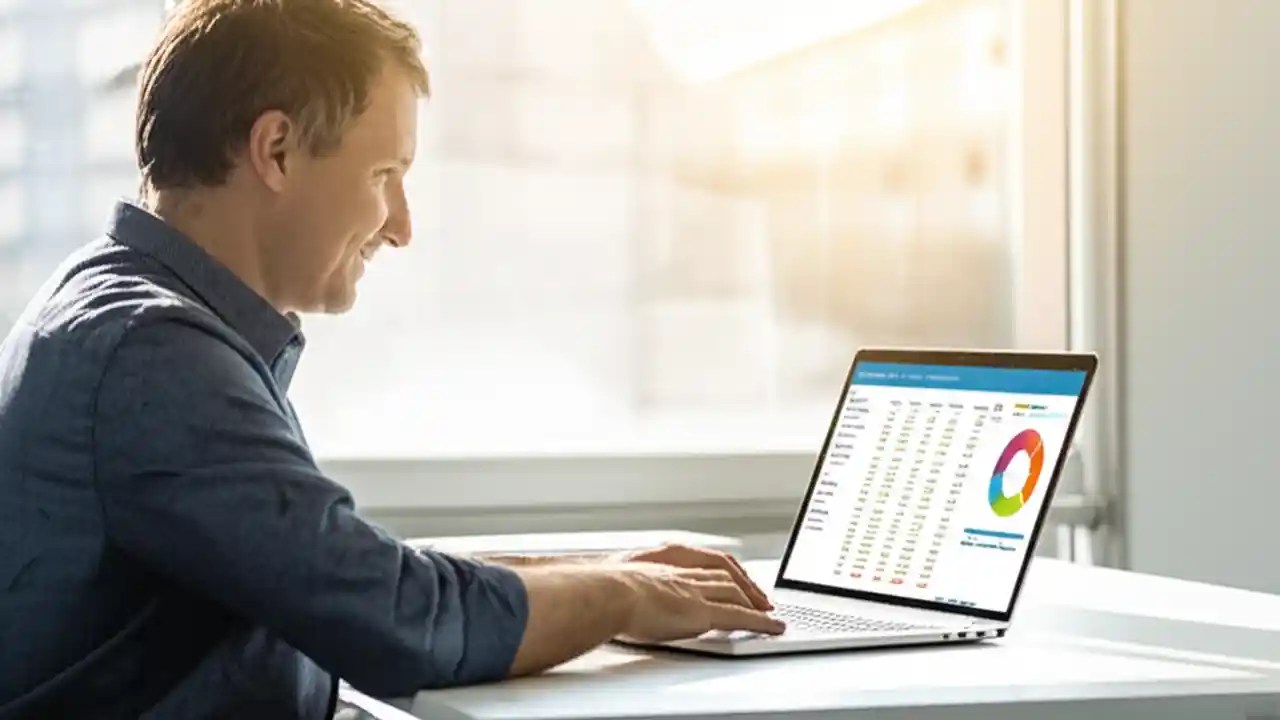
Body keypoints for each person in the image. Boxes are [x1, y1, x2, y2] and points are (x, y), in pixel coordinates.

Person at [0, 1, 785, 718]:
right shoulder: (154, 358)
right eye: (385, 176)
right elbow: (395, 620)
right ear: (276, 149)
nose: (402, 226)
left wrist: (604, 571)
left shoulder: (113, 305)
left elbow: (342, 570)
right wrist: (621, 597)